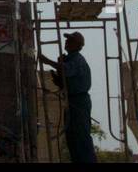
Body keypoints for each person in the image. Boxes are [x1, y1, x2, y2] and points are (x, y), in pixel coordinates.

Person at [39, 32, 97, 163]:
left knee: (81, 137)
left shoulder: (77, 59)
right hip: (72, 100)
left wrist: (47, 61)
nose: (66, 42)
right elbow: (66, 79)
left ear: (77, 44)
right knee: (72, 137)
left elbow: (66, 69)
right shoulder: (71, 58)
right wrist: (58, 78)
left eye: (70, 40)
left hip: (79, 100)